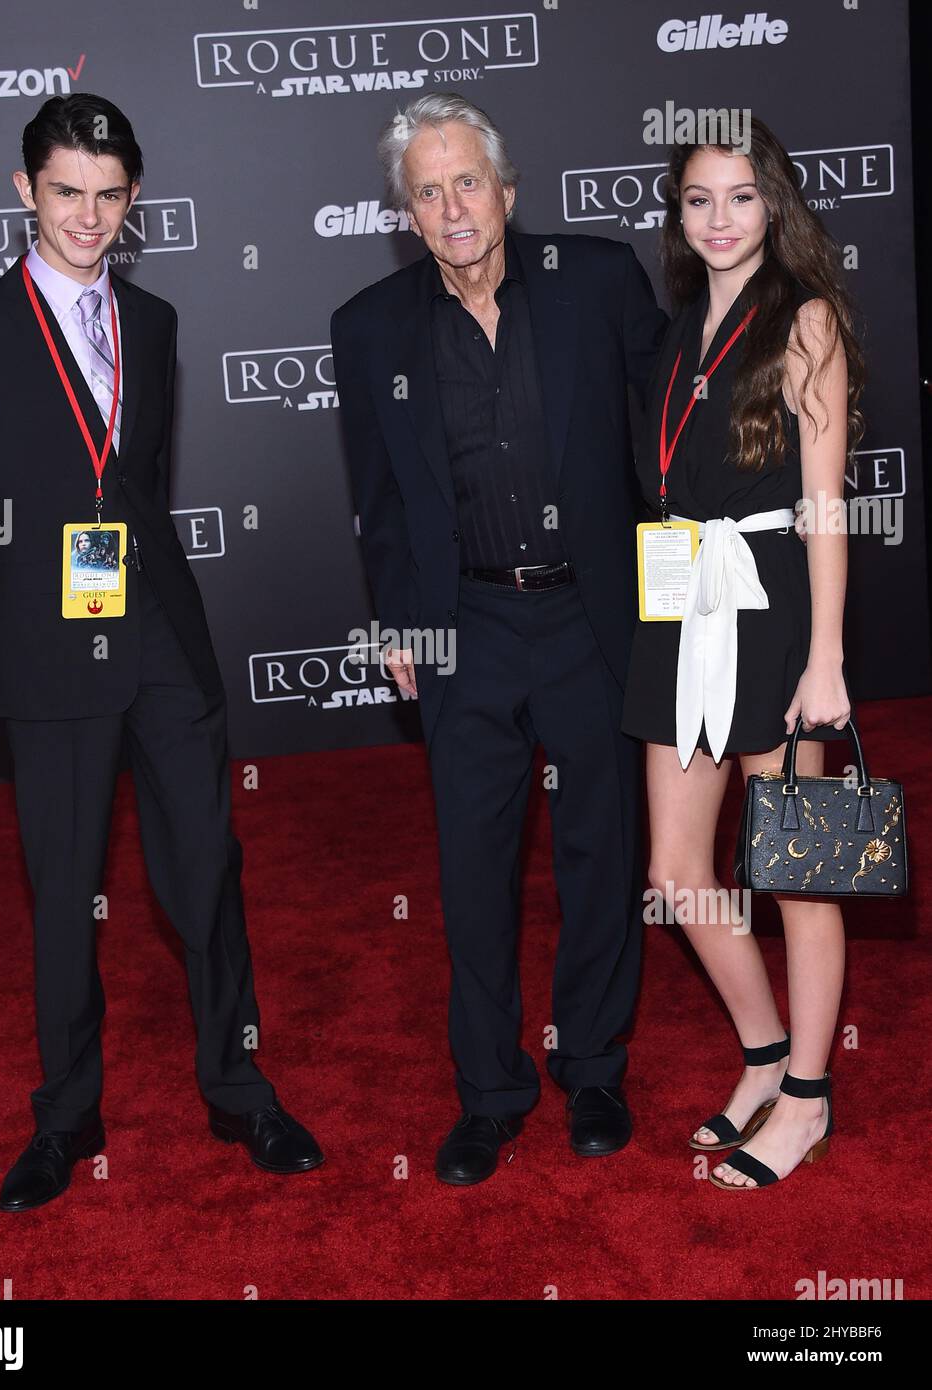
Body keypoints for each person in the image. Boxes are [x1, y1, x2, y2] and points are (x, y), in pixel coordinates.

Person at [0, 94, 322, 1212]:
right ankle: (65, 1115)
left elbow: (131, 490)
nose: (87, 218)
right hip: (43, 656)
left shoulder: (158, 322)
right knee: (63, 891)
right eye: (64, 193)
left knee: (208, 873)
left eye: (108, 195)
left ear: (131, 199)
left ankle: (239, 1090)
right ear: (24, 191)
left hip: (162, 645)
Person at [331, 94, 667, 1185]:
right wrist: (398, 617)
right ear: (406, 214)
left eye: (465, 181)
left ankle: (595, 1068)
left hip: (589, 615)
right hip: (462, 625)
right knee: (473, 868)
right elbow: (378, 500)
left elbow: (670, 437)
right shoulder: (370, 326)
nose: (450, 205)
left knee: (597, 851)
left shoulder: (598, 283)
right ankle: (488, 1091)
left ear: (507, 191)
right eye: (426, 191)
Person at [620, 117, 864, 1189]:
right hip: (680, 607)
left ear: (774, 204)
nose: (718, 219)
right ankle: (764, 1050)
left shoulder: (803, 321)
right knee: (677, 875)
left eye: (739, 197)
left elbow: (822, 506)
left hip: (769, 618)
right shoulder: (678, 327)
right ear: (677, 214)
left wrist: (825, 658)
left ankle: (807, 1097)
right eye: (697, 200)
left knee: (793, 875)